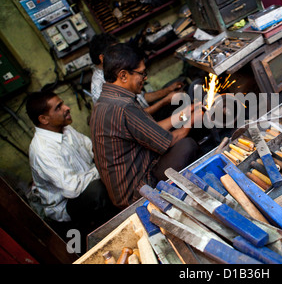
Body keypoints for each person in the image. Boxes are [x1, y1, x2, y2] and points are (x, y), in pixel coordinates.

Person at [90, 43, 201, 210]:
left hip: (124, 188)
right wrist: (194, 119)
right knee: (187, 144)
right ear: (123, 75)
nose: (145, 77)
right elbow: (170, 139)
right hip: (137, 192)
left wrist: (185, 113)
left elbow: (152, 130)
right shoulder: (123, 106)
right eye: (142, 73)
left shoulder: (106, 101)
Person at [26, 91, 118, 243]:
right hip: (66, 204)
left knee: (113, 164)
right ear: (43, 119)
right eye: (58, 107)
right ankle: (113, 232)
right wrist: (102, 168)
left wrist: (106, 161)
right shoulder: (42, 150)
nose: (67, 108)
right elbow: (72, 188)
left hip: (87, 180)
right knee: (98, 190)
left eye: (63, 103)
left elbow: (92, 149)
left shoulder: (65, 128)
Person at [88, 33, 184, 117]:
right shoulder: (101, 88)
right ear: (103, 58)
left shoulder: (114, 71)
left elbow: (142, 98)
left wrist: (168, 90)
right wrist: (165, 101)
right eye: (116, 52)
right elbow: (135, 118)